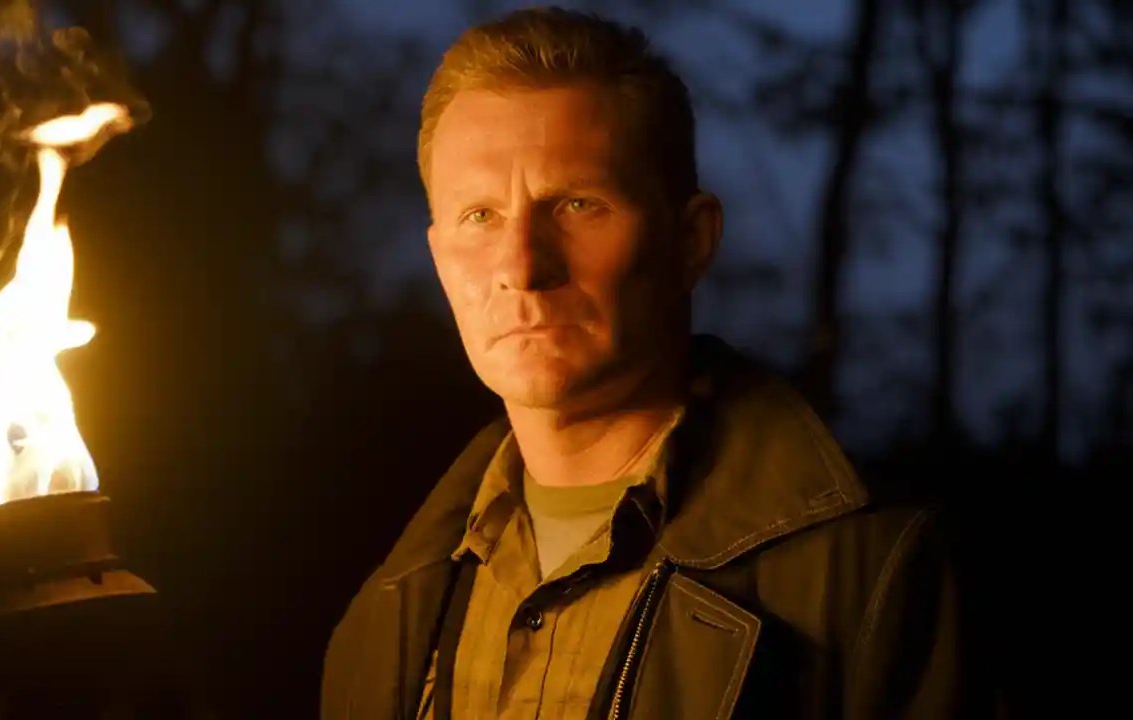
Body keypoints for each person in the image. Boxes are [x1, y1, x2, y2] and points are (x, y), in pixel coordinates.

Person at [322, 7, 983, 719]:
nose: (521, 266)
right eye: (479, 216)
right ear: (438, 259)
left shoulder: (870, 579)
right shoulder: (384, 621)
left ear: (691, 241)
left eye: (577, 205)